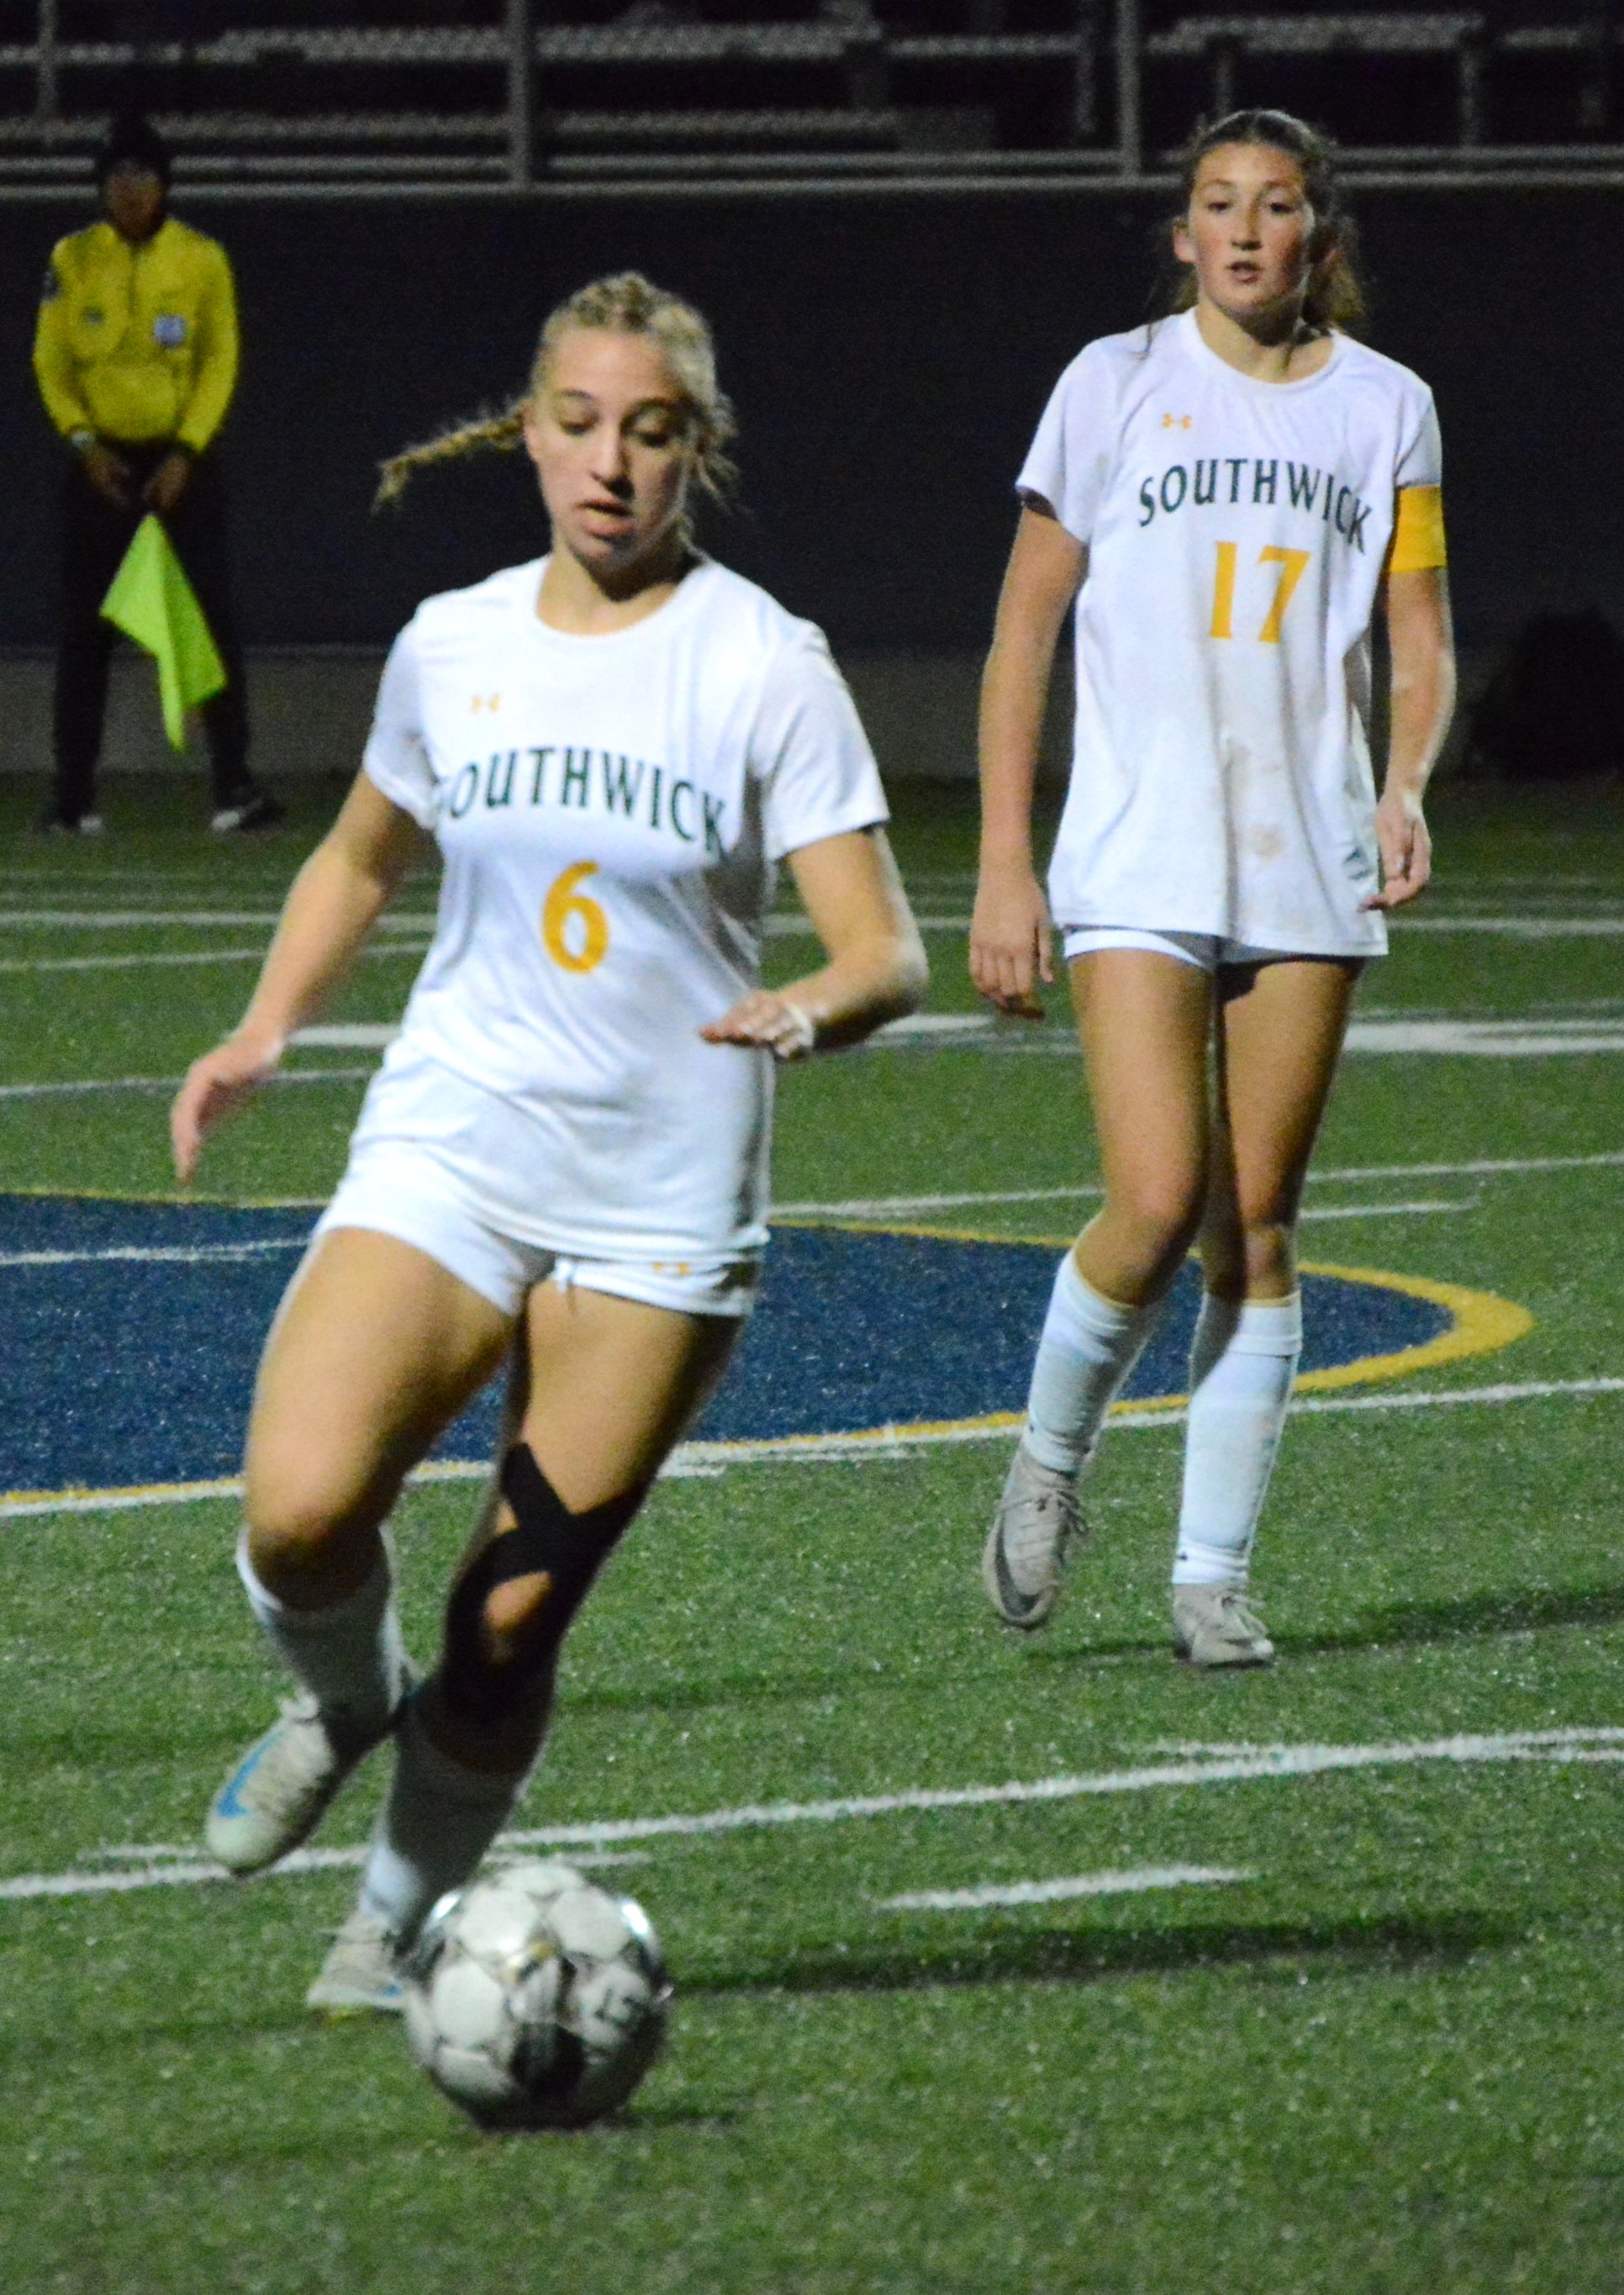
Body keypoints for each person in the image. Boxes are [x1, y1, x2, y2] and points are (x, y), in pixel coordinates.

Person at [170, 271, 927, 2010]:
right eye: (578, 426)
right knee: (297, 1514)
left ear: (695, 452)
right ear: (526, 436)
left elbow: (887, 946)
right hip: (459, 1141)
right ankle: (345, 1698)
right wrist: (263, 1026)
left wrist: (812, 1008)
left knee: (507, 1624)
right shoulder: (454, 642)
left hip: (660, 1196)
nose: (609, 466)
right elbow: (362, 853)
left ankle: (397, 1913)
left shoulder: (764, 663)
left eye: (649, 434)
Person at [971, 110, 1453, 1666]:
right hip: (1134, 853)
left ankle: (1209, 1578)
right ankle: (1047, 1464)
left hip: (1305, 855)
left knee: (1257, 1228)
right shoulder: (1106, 386)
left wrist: (1402, 784)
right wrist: (1000, 864)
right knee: (1158, 1198)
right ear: (1180, 235)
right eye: (1215, 206)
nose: (1244, 232)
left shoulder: (1390, 410)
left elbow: (1421, 637)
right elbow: (1021, 636)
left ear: (1318, 237)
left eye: (1276, 208)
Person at [32, 111, 279, 836]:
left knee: (208, 624)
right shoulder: (72, 260)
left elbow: (220, 361)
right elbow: (51, 363)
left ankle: (236, 788)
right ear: (101, 188)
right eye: (117, 177)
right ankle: (73, 796)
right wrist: (84, 444)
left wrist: (188, 452)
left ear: (164, 182)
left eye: (142, 174)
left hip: (181, 467)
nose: (130, 189)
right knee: (84, 633)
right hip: (99, 465)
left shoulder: (202, 259)